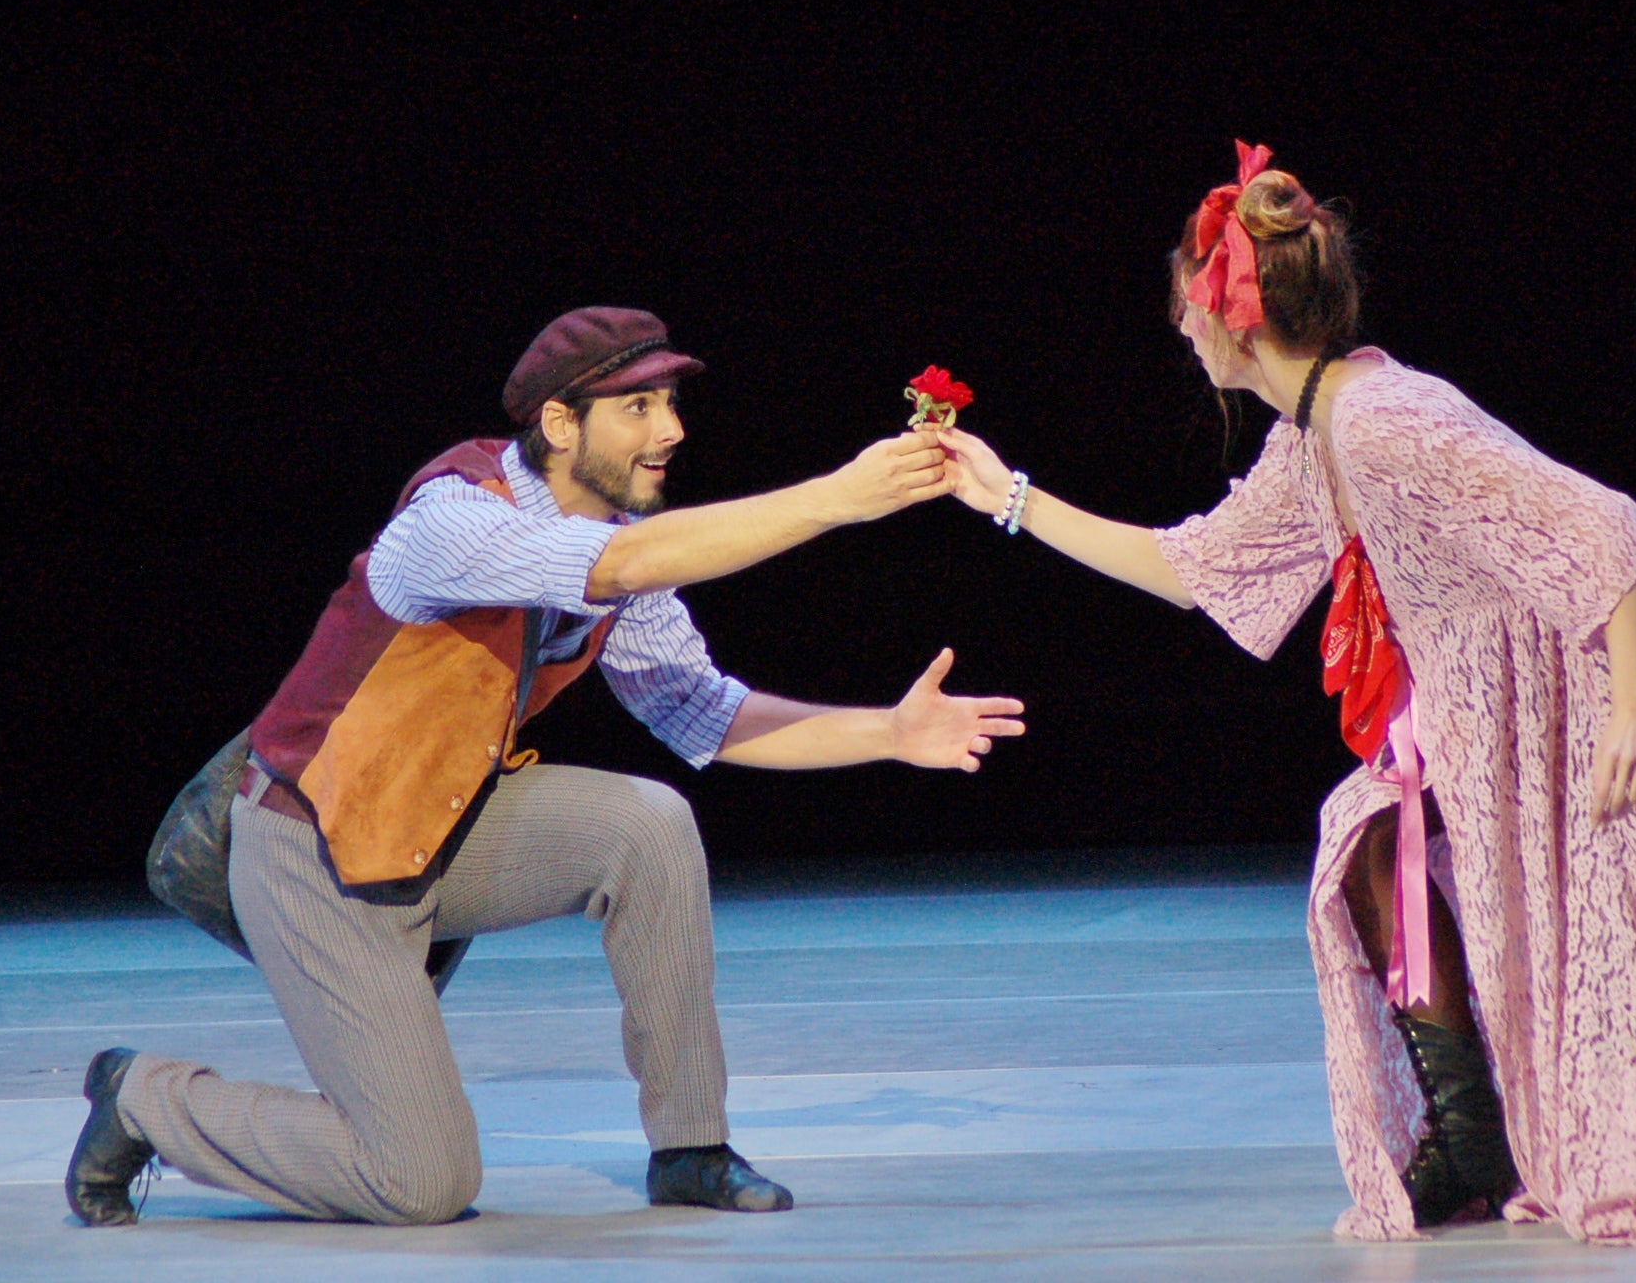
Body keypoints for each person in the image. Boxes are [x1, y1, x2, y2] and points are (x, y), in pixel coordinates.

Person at [936, 143, 1636, 1244]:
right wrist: (1007, 497)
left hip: (1626, 657)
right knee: (1381, 841)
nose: (1178, 323)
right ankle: (1479, 1138)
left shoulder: (1382, 419)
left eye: (1187, 302)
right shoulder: (1321, 429)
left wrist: (1626, 708)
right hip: (1548, 684)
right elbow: (1193, 568)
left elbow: (1599, 520)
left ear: (1235, 318)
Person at [67, 305, 1025, 1227]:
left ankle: (689, 1148)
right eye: (639, 408)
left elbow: (702, 710)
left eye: (672, 405)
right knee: (422, 1182)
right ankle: (145, 1098)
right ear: (560, 424)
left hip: (437, 830)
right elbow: (610, 569)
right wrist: (838, 498)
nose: (672, 431)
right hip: (313, 847)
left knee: (648, 825)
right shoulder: (451, 517)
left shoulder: (620, 546)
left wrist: (886, 734)